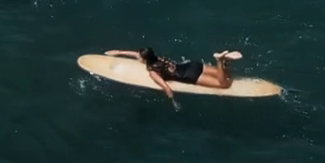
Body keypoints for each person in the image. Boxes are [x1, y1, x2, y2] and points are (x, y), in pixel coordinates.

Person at [102, 48, 244, 106]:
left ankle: (219, 60)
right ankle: (225, 61)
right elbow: (137, 54)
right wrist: (118, 52)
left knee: (224, 84)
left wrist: (171, 98)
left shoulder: (152, 71)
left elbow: (164, 86)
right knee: (227, 76)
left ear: (144, 60)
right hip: (193, 66)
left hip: (189, 75)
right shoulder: (156, 57)